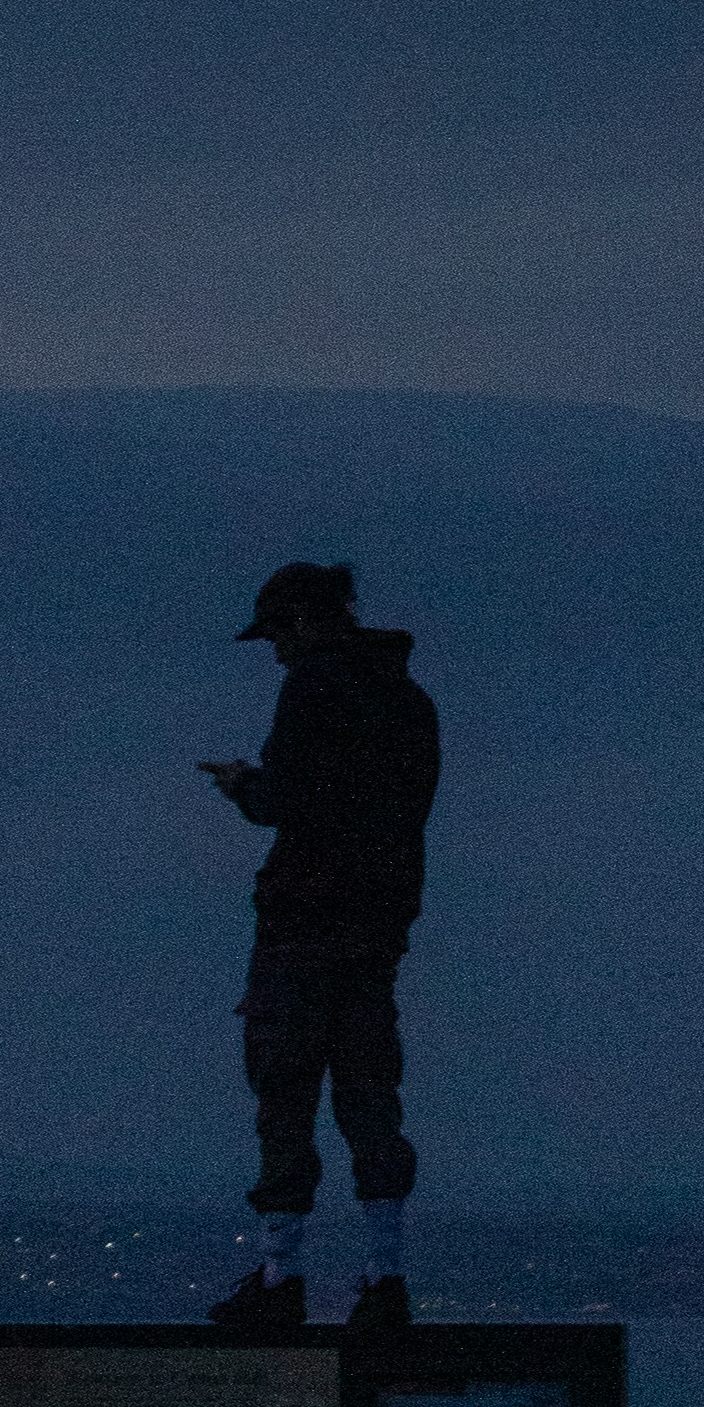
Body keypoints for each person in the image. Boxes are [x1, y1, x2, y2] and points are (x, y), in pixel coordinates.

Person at [198, 558, 439, 1331]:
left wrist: (243, 784)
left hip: (303, 924)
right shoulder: (409, 700)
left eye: (275, 633)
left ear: (302, 618)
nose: (273, 652)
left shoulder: (312, 688)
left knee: (284, 1089)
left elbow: (286, 799)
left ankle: (281, 1276)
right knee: (372, 1094)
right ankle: (385, 1275)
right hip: (378, 927)